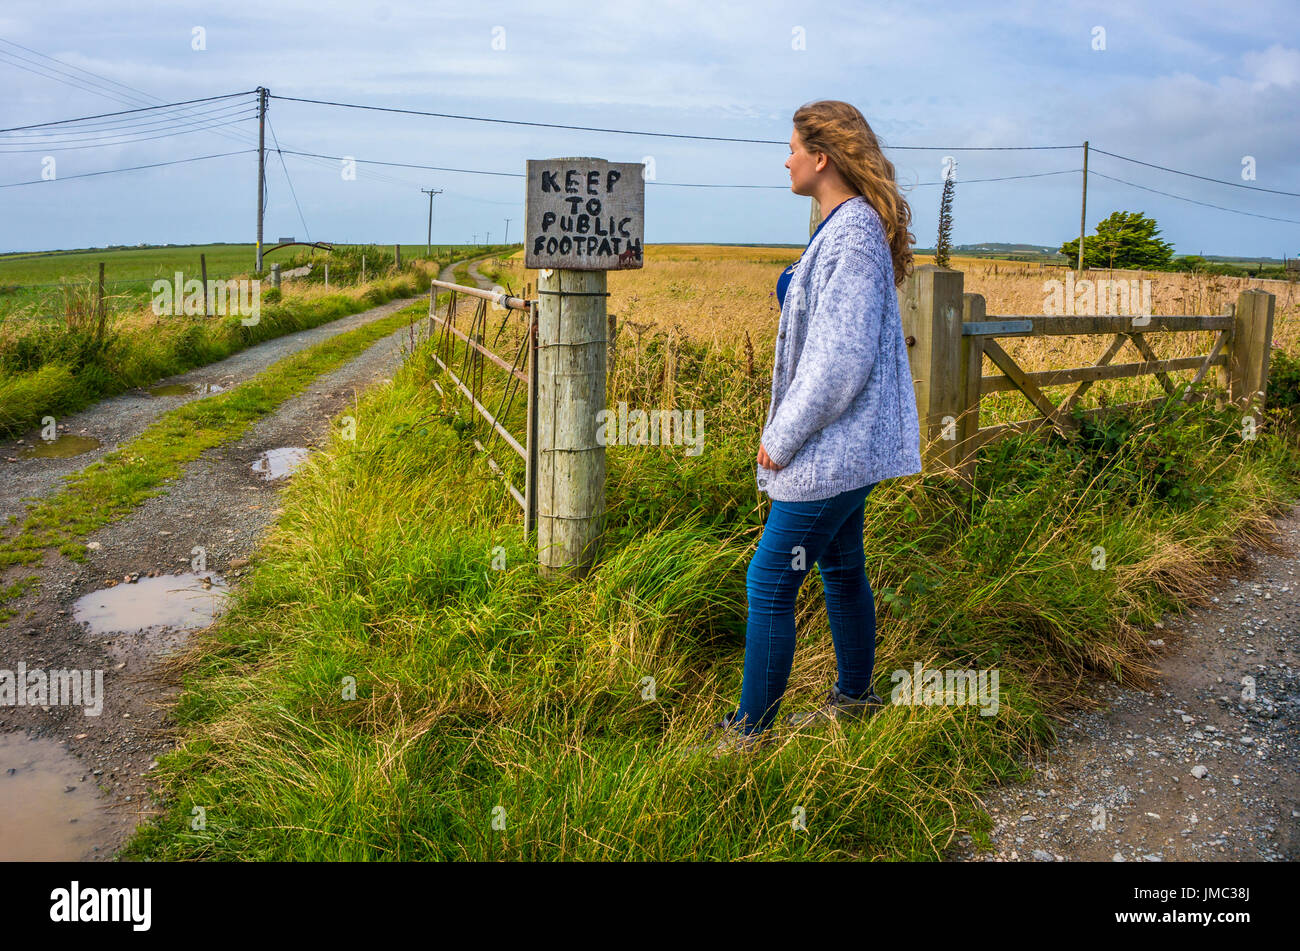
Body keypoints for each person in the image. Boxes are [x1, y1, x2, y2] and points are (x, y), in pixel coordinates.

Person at [706, 100, 923, 752]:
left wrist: (781, 436)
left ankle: (750, 735)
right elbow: (823, 308)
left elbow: (841, 361)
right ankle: (856, 700)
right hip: (847, 452)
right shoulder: (844, 229)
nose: (787, 157)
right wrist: (790, 283)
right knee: (841, 566)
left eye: (794, 146)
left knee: (769, 580)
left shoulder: (853, 234)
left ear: (821, 156)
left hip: (832, 448)